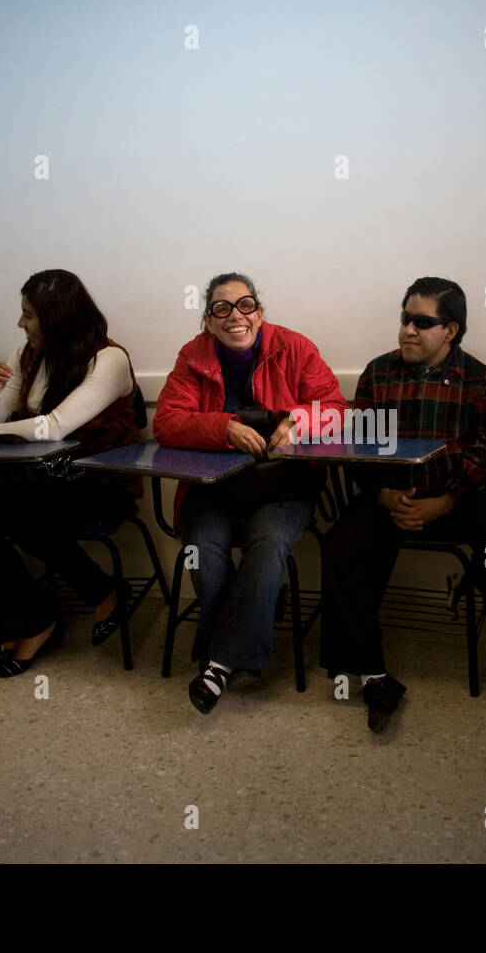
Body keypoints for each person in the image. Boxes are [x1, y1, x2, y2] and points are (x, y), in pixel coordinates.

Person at [320, 276, 486, 732]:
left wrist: (446, 500)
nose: (408, 330)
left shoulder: (479, 379)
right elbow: (356, 446)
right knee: (341, 544)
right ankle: (371, 671)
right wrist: (382, 494)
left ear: (450, 330)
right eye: (404, 318)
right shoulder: (378, 373)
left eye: (421, 321)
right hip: (390, 496)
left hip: (460, 497)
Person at [153, 272, 346, 714]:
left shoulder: (295, 346)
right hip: (213, 486)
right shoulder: (192, 355)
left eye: (245, 305)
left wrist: (298, 421)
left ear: (260, 313)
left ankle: (217, 663)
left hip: (284, 485)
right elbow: (166, 422)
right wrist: (225, 428)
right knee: (201, 546)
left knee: (268, 544)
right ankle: (246, 631)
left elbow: (333, 408)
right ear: (207, 320)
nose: (235, 316)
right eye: (222, 308)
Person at [0, 269, 141, 677]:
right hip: (41, 480)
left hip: (101, 481)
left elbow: (52, 427)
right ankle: (48, 614)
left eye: (29, 316)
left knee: (5, 515)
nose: (21, 324)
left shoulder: (109, 359)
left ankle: (69, 606)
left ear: (58, 318)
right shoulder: (28, 353)